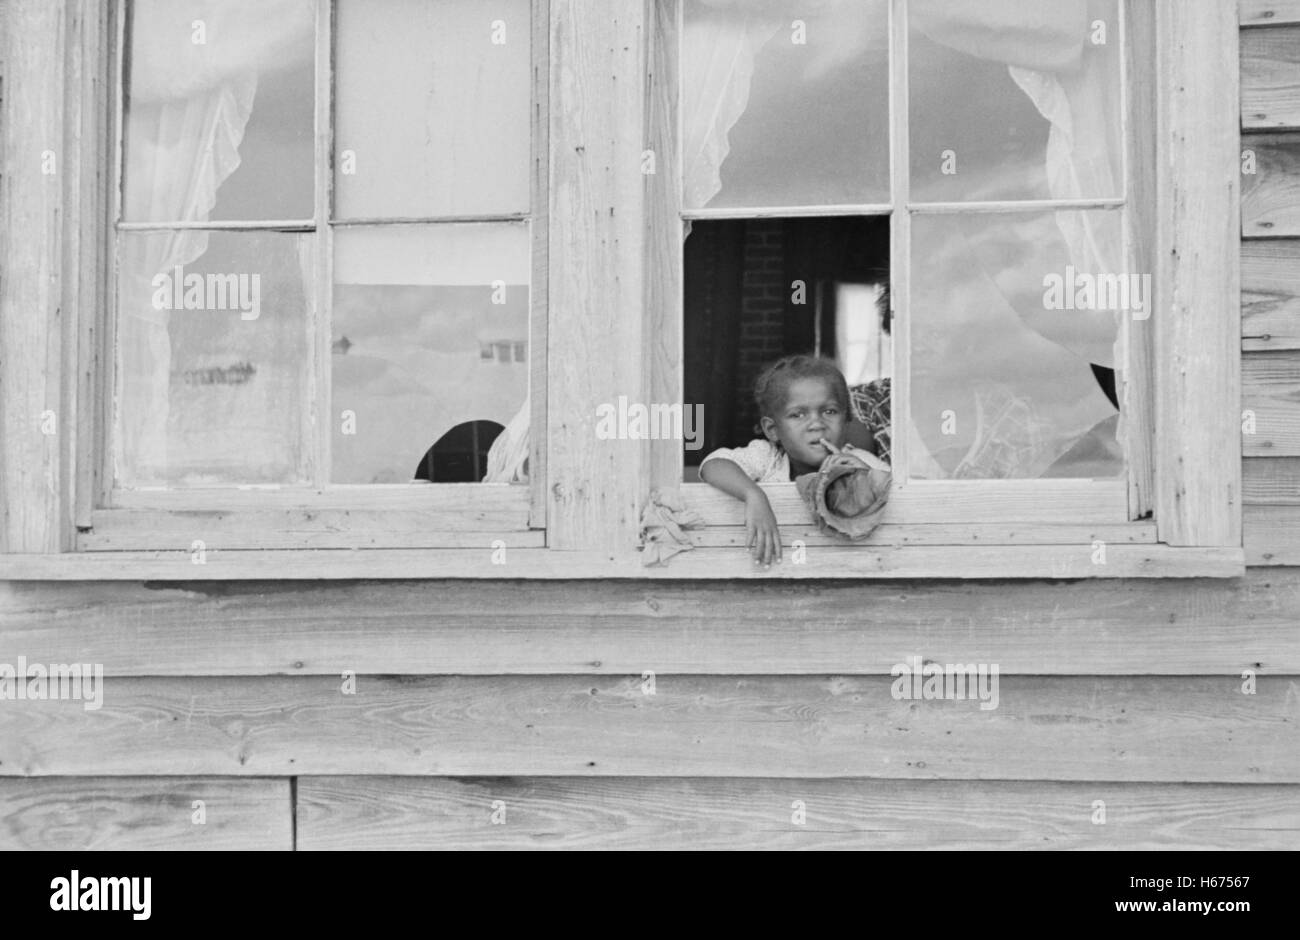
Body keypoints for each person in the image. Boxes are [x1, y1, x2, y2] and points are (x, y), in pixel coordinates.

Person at [699, 354, 883, 568]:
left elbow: (895, 491)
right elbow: (713, 464)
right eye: (798, 415)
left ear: (847, 421)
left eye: (829, 411)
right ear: (773, 430)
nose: (817, 424)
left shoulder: (859, 460)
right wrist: (753, 494)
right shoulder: (769, 458)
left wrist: (864, 478)